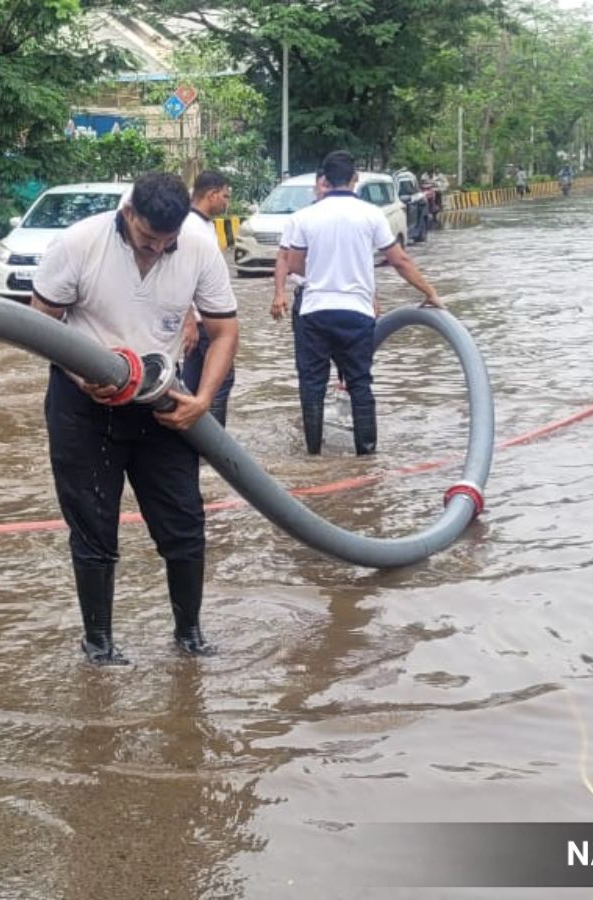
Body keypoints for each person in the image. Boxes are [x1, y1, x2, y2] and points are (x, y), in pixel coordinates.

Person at [30, 172, 239, 666]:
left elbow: (225, 331)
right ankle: (98, 644)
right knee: (94, 529)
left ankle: (189, 635)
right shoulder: (80, 243)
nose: (156, 251)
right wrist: (83, 376)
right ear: (129, 214)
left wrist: (203, 398)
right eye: (148, 239)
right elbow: (39, 326)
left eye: (167, 244)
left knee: (185, 524)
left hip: (164, 403)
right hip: (84, 404)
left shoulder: (196, 246)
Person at [270, 150, 443, 456]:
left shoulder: (304, 217)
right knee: (359, 383)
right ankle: (367, 456)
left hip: (314, 311)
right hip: (357, 313)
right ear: (355, 180)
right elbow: (399, 260)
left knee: (312, 384)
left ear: (324, 180)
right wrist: (429, 292)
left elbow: (294, 263)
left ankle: (312, 453)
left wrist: (325, 275)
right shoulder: (371, 214)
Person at [180, 170, 236, 426]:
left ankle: (192, 442)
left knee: (192, 385)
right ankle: (214, 445)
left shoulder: (202, 225)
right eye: (225, 196)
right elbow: (180, 272)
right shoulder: (190, 228)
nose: (227, 203)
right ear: (212, 194)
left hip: (209, 321)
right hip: (202, 324)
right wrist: (189, 317)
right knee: (219, 380)